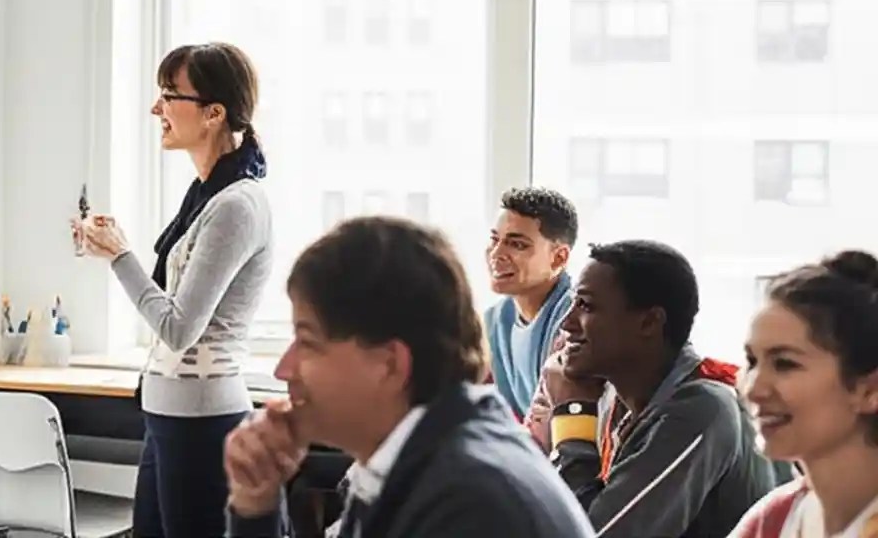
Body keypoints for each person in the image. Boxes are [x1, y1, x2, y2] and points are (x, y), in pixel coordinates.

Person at [222, 217, 595, 538]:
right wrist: (257, 503)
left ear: (389, 364)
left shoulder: (468, 503)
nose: (283, 369)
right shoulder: (418, 452)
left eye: (307, 342)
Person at [77, 42, 273, 538]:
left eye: (168, 95)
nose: (155, 108)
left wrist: (120, 256)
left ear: (213, 113)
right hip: (170, 415)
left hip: (202, 422)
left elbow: (180, 328)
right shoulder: (205, 195)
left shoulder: (236, 206)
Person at [541, 239, 780, 538]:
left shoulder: (702, 408)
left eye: (586, 306)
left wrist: (572, 414)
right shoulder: (614, 399)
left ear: (649, 322)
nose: (566, 324)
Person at [731, 250, 878, 538]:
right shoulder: (774, 519)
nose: (753, 389)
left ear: (869, 389)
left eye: (785, 363)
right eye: (751, 362)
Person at [482, 186, 578, 446]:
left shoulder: (576, 320)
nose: (496, 254)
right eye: (494, 239)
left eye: (517, 244)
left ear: (558, 258)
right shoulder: (495, 321)